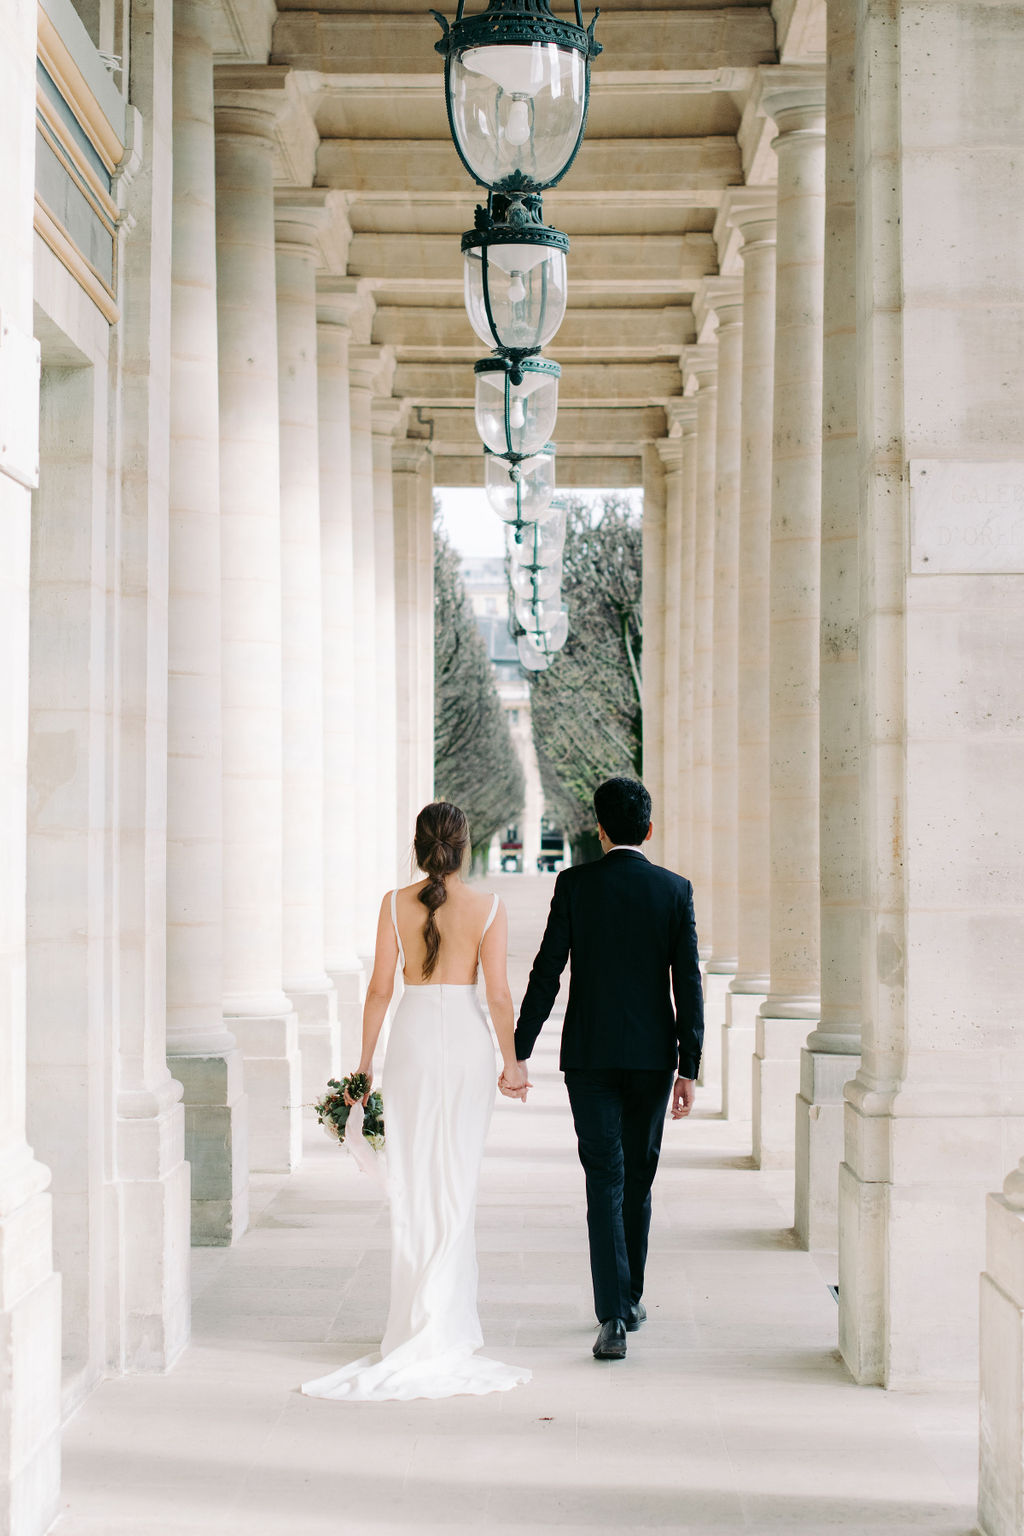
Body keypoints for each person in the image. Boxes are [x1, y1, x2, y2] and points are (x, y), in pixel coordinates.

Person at [302, 801, 532, 1402]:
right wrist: (513, 1061)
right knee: (455, 1181)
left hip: (409, 1040)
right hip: (464, 1042)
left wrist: (362, 1066)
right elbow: (501, 995)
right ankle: (445, 1321)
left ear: (418, 844)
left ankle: (412, 1322)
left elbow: (380, 988)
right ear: (465, 844)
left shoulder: (393, 903)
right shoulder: (488, 907)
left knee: (412, 1181)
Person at [504, 776, 703, 1362]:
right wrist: (688, 1064)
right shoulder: (674, 890)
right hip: (651, 1059)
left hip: (589, 1057)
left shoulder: (575, 886)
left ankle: (614, 1313)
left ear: (599, 827)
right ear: (648, 828)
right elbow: (686, 981)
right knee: (638, 1178)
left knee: (604, 1181)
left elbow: (547, 972)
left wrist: (519, 1046)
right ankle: (628, 1298)